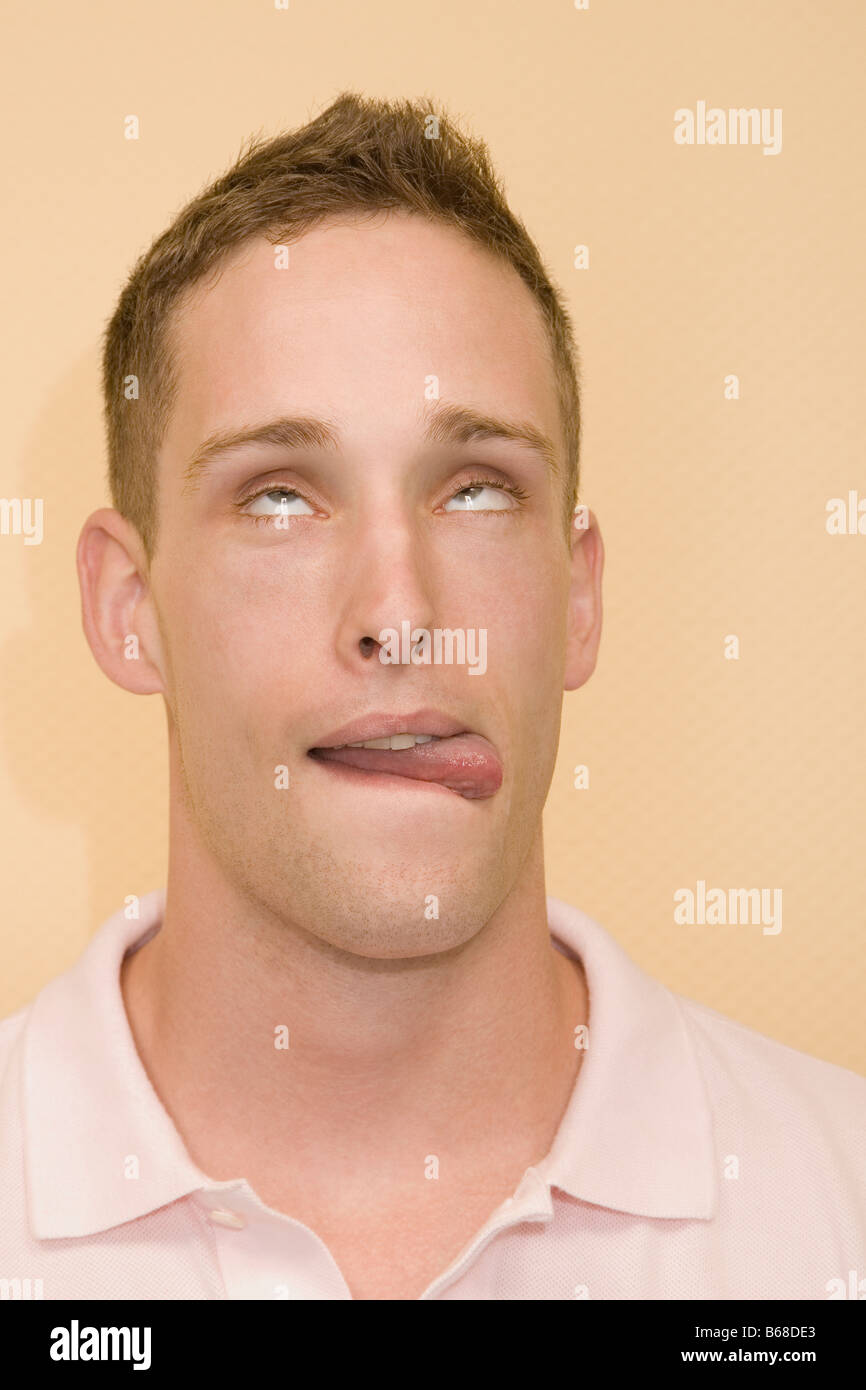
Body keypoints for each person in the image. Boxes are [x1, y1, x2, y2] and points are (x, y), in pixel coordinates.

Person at [1, 93, 863, 1303]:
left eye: (472, 489)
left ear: (577, 595)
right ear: (126, 606)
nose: (400, 613)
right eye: (280, 497)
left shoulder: (839, 1212)